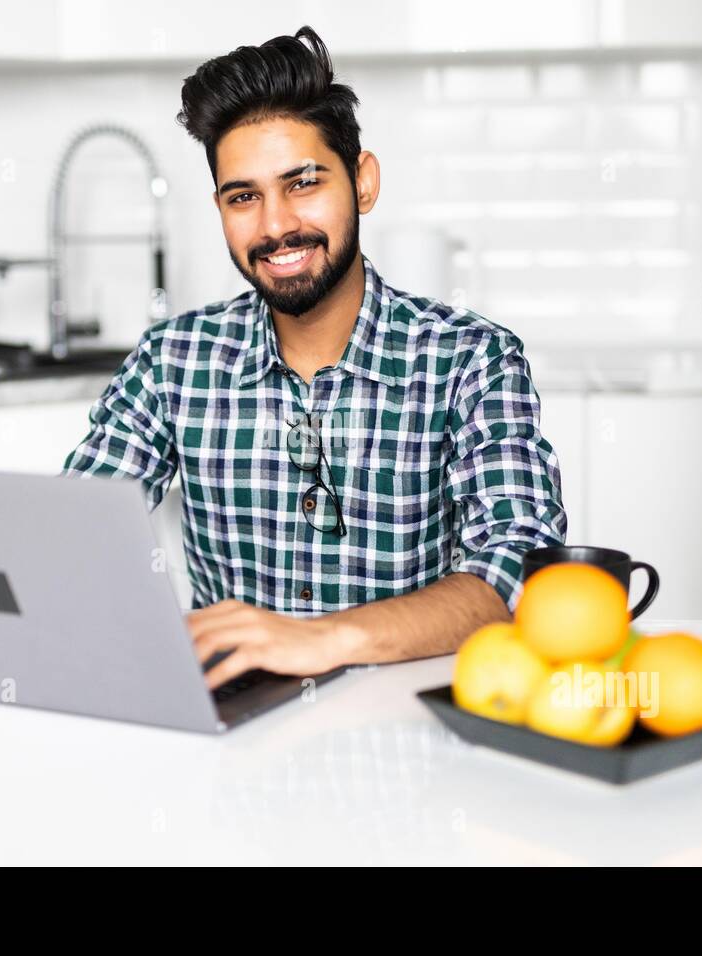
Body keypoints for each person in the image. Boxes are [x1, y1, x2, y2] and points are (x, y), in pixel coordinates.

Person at [62, 25, 566, 689]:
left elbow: (523, 571)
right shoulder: (173, 360)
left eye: (302, 183)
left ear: (362, 182)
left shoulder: (471, 360)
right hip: (229, 737)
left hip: (405, 733)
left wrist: (321, 640)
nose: (273, 226)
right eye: (244, 196)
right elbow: (74, 532)